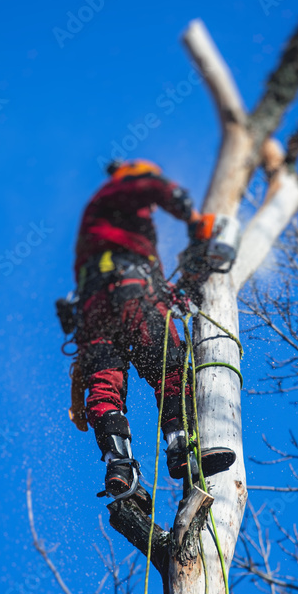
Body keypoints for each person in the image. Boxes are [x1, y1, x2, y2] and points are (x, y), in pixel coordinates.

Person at [69, 159, 235, 509]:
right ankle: (181, 450)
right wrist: (192, 219)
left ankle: (119, 468)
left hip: (93, 311)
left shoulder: (99, 219)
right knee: (169, 366)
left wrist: (172, 289)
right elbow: (154, 187)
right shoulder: (124, 188)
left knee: (104, 384)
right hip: (131, 292)